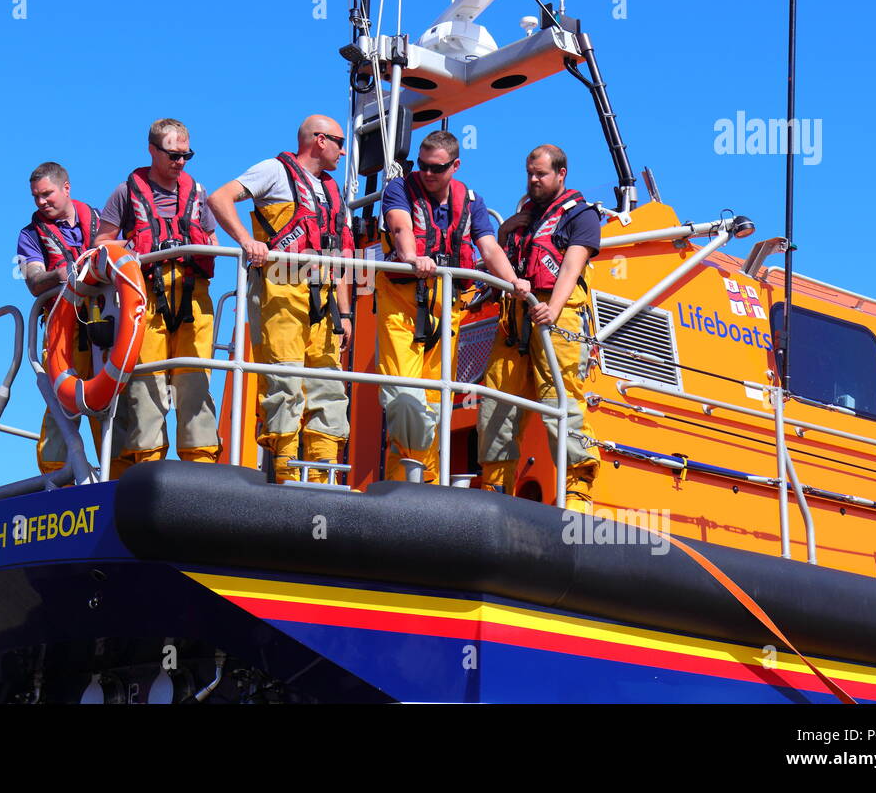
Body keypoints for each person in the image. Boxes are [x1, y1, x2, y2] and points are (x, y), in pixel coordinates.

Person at [207, 115, 354, 483]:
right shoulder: (274, 171)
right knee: (283, 383)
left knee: (329, 388)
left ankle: (324, 480)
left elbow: (339, 256)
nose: (343, 149)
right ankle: (287, 475)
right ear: (320, 140)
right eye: (339, 141)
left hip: (323, 303)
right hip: (280, 292)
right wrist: (246, 239)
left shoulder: (332, 191)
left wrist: (346, 312)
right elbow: (220, 197)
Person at [380, 130, 529, 484]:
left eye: (437, 168)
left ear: (455, 166)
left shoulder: (472, 201)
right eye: (422, 165)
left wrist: (514, 282)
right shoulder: (399, 189)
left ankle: (424, 482)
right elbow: (401, 227)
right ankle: (408, 481)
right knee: (404, 396)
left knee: (434, 401)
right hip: (401, 310)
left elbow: (489, 248)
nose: (428, 173)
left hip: (447, 313)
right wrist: (413, 257)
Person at [477, 144, 601, 510]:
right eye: (529, 173)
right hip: (514, 322)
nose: (533, 180)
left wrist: (553, 308)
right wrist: (503, 233)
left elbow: (570, 268)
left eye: (541, 174)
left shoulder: (582, 216)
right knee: (497, 400)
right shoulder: (523, 218)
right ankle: (495, 491)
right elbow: (506, 261)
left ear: (561, 174)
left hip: (556, 320)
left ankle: (577, 490)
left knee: (560, 402)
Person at [96, 118, 220, 472]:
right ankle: (146, 469)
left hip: (193, 297)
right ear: (152, 150)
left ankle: (201, 469)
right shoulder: (125, 193)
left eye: (186, 156)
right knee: (146, 387)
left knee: (194, 382)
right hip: (145, 298)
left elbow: (212, 241)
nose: (180, 162)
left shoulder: (198, 193)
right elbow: (101, 243)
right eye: (173, 155)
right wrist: (133, 247)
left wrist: (205, 246)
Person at [15, 162, 105, 474]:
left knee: (114, 399)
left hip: (107, 326)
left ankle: (118, 474)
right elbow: (33, 282)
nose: (41, 202)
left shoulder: (101, 221)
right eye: (36, 197)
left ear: (66, 188)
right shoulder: (29, 236)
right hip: (62, 329)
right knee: (62, 404)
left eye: (47, 194)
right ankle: (55, 478)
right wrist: (59, 273)